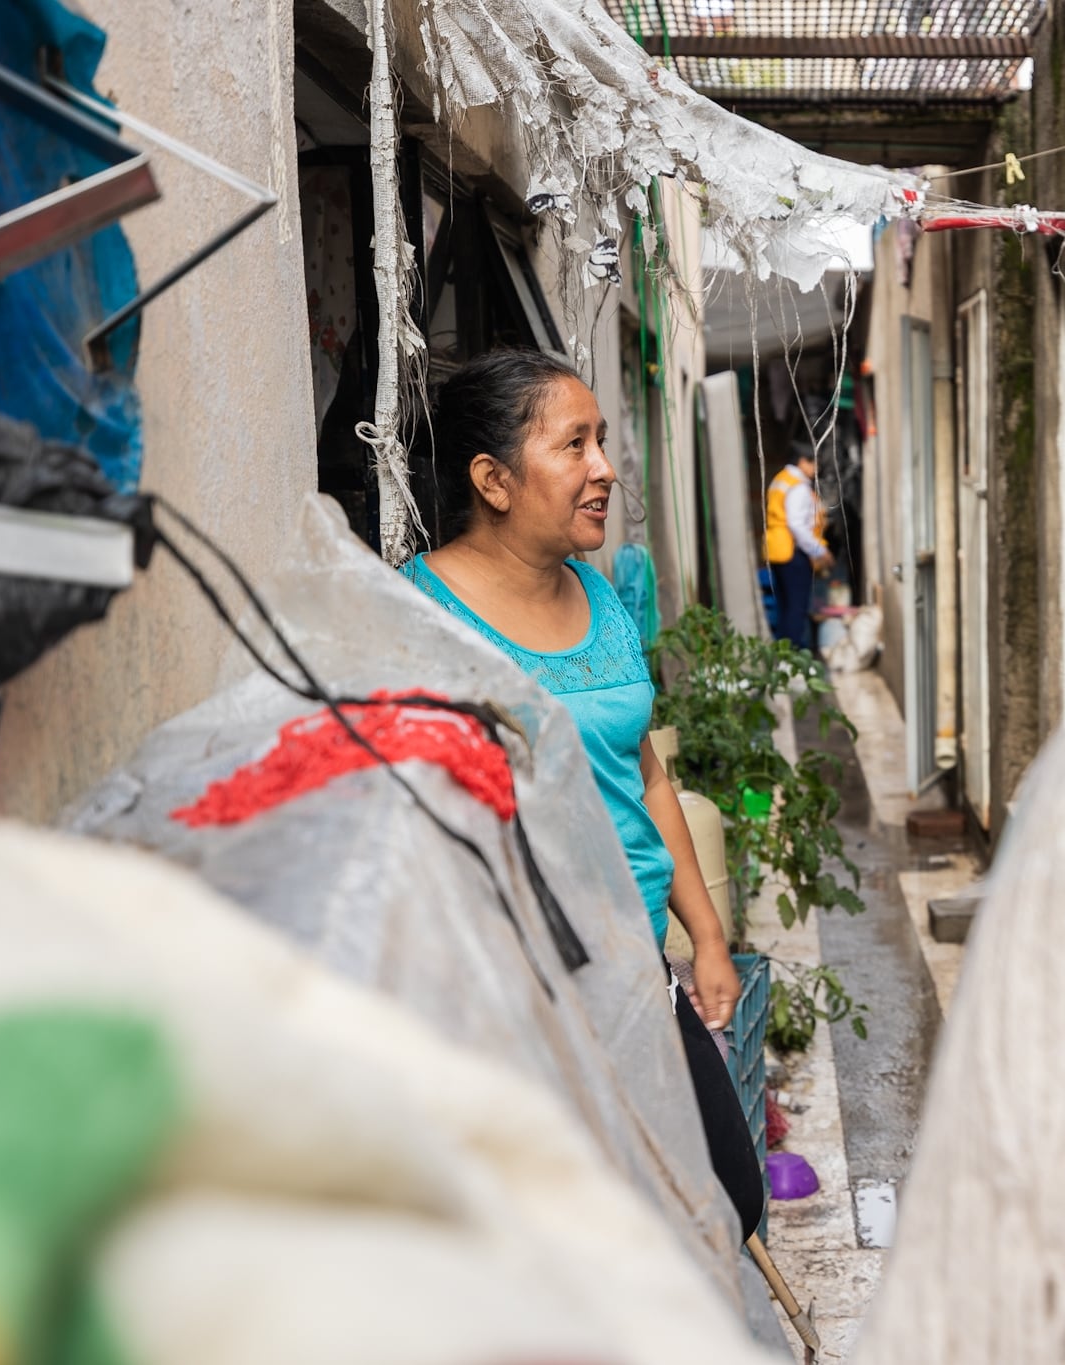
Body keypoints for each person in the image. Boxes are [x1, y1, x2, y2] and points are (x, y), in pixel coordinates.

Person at [399, 348, 763, 1239]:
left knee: (729, 1196)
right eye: (574, 444)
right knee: (586, 1240)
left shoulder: (601, 595)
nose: (604, 467)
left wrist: (705, 937)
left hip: (639, 968)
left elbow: (644, 771)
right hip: (525, 999)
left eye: (600, 440)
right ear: (493, 479)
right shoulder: (422, 616)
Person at [764, 443, 832, 651]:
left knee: (785, 606)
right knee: (796, 607)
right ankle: (791, 656)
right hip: (792, 551)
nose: (816, 470)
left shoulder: (780, 480)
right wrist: (820, 550)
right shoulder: (798, 486)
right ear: (802, 461)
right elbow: (797, 524)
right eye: (814, 464)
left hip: (777, 549)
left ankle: (784, 655)